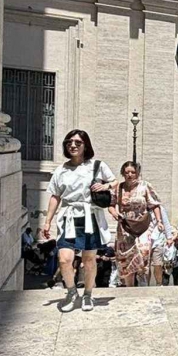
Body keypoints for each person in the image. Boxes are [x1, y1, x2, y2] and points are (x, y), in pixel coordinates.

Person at [40, 129, 115, 312]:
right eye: (69, 142)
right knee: (64, 259)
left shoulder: (97, 165)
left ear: (85, 145)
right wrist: (48, 221)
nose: (73, 145)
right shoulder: (61, 170)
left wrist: (104, 185)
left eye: (78, 142)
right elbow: (55, 196)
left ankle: (88, 294)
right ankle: (71, 292)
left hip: (91, 217)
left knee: (89, 260)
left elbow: (115, 182)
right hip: (69, 217)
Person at [112, 160, 166, 286]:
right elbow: (111, 204)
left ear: (137, 173)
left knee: (144, 250)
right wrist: (114, 212)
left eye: (133, 172)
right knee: (125, 257)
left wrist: (159, 221)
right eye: (127, 173)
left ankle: (142, 278)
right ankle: (129, 287)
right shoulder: (119, 188)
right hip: (124, 227)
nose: (130, 175)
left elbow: (154, 204)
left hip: (143, 225)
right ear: (123, 174)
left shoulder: (145, 186)